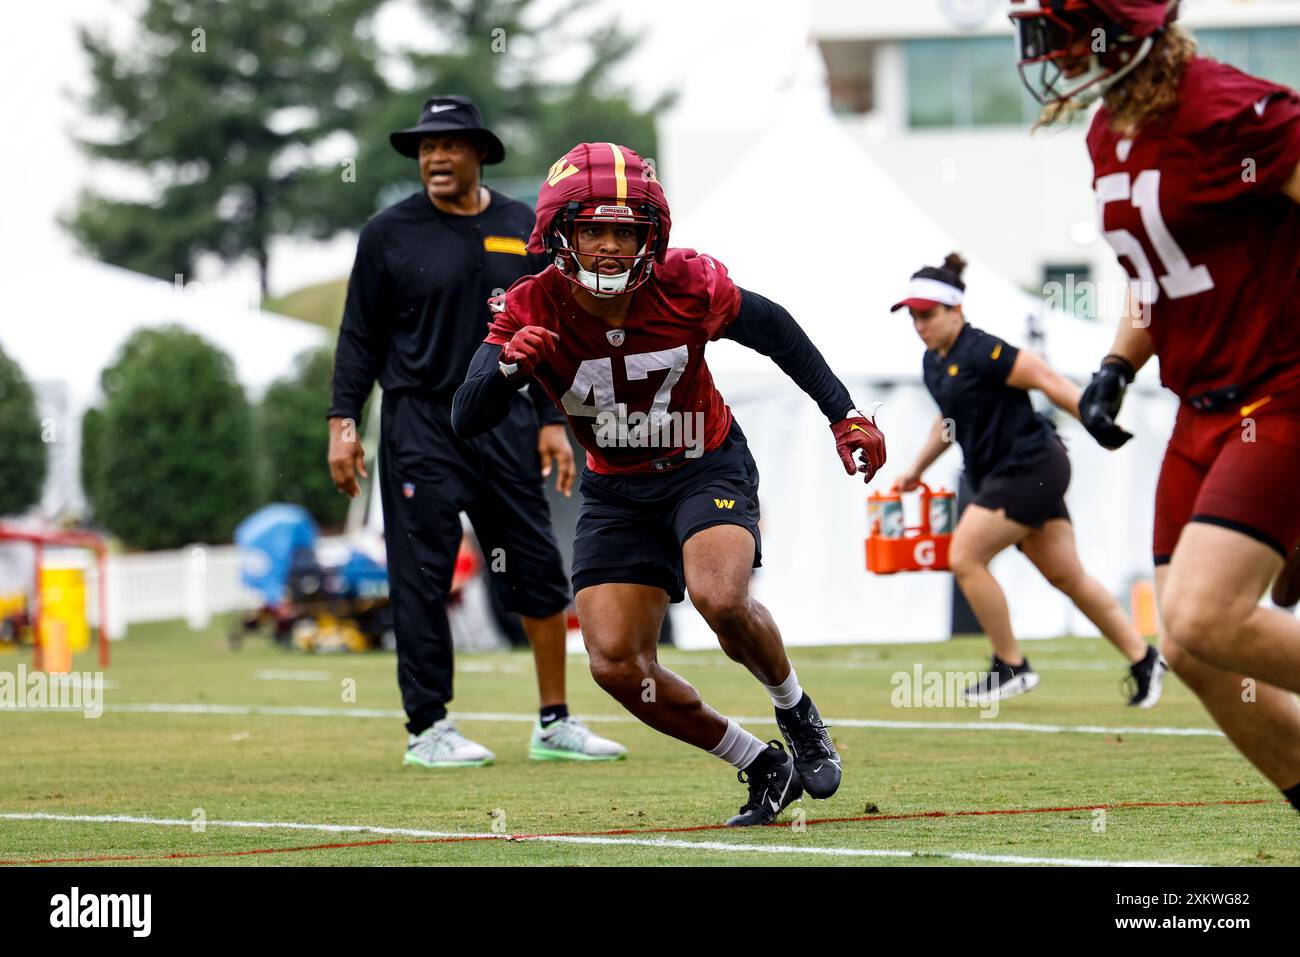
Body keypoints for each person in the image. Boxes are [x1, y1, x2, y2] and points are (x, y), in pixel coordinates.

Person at [452, 142, 887, 825]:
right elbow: (463, 415)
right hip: (616, 490)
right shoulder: (531, 304)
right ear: (561, 234)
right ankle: (760, 761)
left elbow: (775, 330)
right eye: (592, 229)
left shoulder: (688, 283)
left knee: (721, 598)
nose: (607, 247)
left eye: (623, 231)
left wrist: (844, 413)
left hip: (702, 464)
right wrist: (507, 369)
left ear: (648, 236)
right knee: (615, 663)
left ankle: (796, 712)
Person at [1009, 0, 1300, 812]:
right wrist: (1116, 362)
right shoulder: (1111, 130)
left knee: (1208, 620)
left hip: (1280, 394)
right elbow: (1162, 264)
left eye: (1060, 31)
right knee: (1194, 650)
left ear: (1116, 28)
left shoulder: (1228, 111)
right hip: (1199, 409)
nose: (1049, 53)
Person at [327, 96, 625, 767]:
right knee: (424, 574)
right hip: (419, 422)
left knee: (538, 569)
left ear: (480, 153)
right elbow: (357, 340)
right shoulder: (387, 232)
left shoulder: (522, 227)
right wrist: (342, 425)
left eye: (450, 145)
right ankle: (427, 727)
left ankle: (555, 721)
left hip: (505, 415)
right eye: (426, 148)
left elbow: (547, 332)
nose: (435, 157)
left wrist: (553, 420)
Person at [892, 253, 1163, 705]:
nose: (920, 324)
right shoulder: (934, 363)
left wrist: (1092, 416)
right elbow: (949, 422)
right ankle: (1143, 657)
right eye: (914, 316)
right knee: (1069, 577)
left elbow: (1043, 377)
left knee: (964, 556)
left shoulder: (982, 350)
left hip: (1031, 467)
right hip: (1007, 474)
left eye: (928, 314)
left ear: (956, 310)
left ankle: (1011, 666)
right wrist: (915, 470)